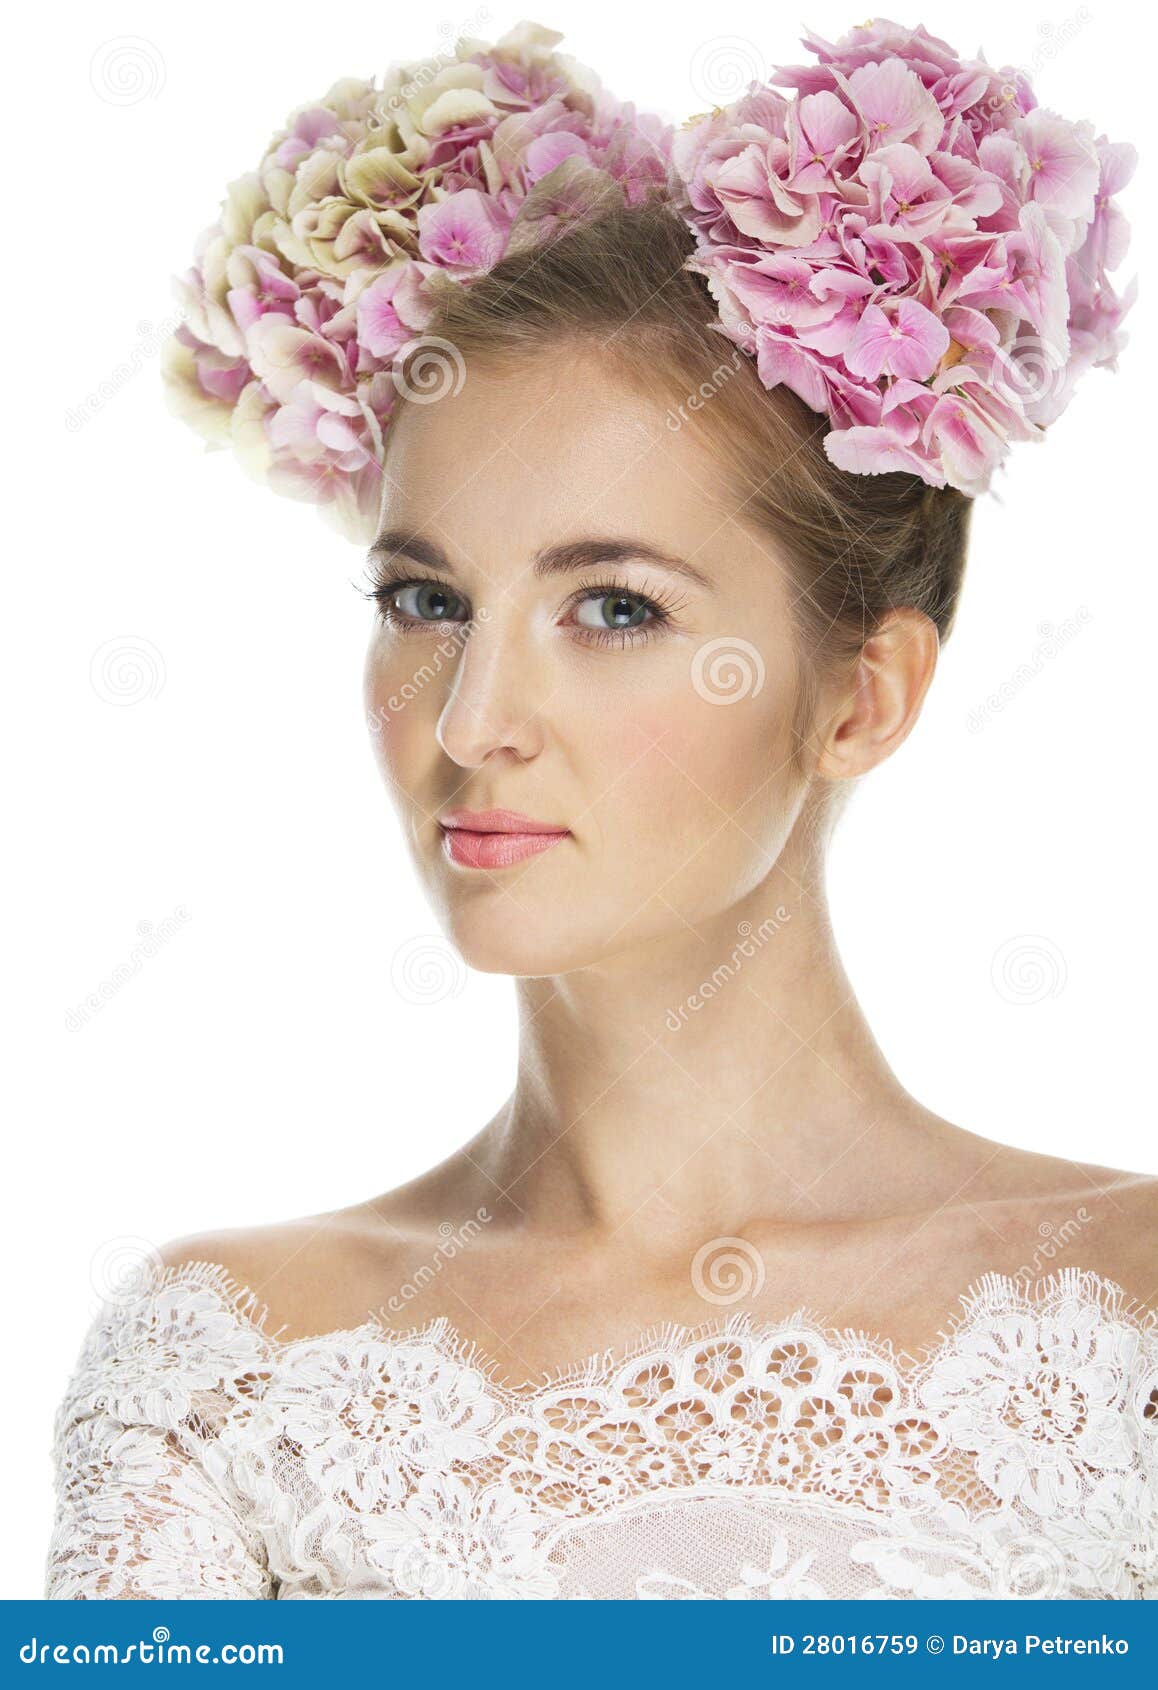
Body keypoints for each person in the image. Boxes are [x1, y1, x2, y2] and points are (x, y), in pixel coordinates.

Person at [45, 18, 1157, 1601]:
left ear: (861, 697)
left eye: (615, 607)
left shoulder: (1122, 1320)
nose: (471, 722)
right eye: (426, 600)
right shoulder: (227, 1372)